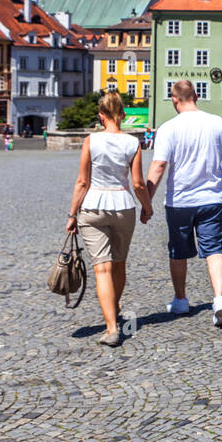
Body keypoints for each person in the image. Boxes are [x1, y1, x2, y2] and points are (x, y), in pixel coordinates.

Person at [146, 79, 222, 329]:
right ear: (196, 96)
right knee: (214, 249)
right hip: (212, 199)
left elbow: (158, 166)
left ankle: (181, 300)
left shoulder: (168, 128)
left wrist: (145, 201)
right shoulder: (218, 123)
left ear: (174, 99)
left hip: (179, 201)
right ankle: (220, 302)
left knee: (178, 251)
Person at [66, 91, 152, 347]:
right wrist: (147, 207)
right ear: (123, 114)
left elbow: (82, 182)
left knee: (102, 268)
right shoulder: (132, 143)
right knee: (119, 264)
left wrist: (72, 215)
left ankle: (112, 327)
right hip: (123, 206)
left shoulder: (90, 141)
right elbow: (137, 184)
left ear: (101, 115)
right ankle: (114, 308)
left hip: (93, 207)